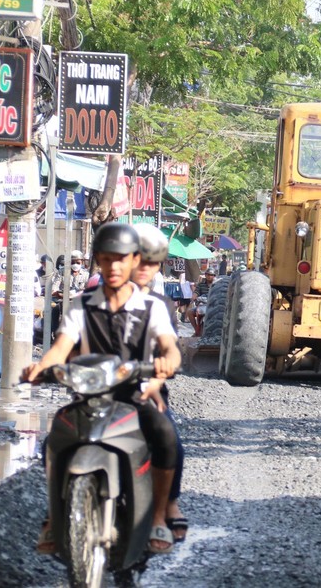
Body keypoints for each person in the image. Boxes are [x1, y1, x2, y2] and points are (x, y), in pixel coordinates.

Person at [21, 223, 183, 555]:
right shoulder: (81, 306)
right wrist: (40, 368)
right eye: (107, 259)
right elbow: (60, 348)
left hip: (134, 397)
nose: (114, 267)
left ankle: (157, 517)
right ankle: (53, 518)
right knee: (54, 441)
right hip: (89, 396)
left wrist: (167, 361)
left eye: (121, 259)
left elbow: (170, 346)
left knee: (166, 435)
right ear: (97, 260)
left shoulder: (152, 307)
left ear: (134, 260)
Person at [132, 224, 188, 543]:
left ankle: (168, 502)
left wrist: (160, 374)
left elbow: (170, 348)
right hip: (101, 391)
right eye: (136, 258)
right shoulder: (93, 300)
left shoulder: (161, 306)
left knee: (171, 442)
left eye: (151, 262)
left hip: (147, 393)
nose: (143, 268)